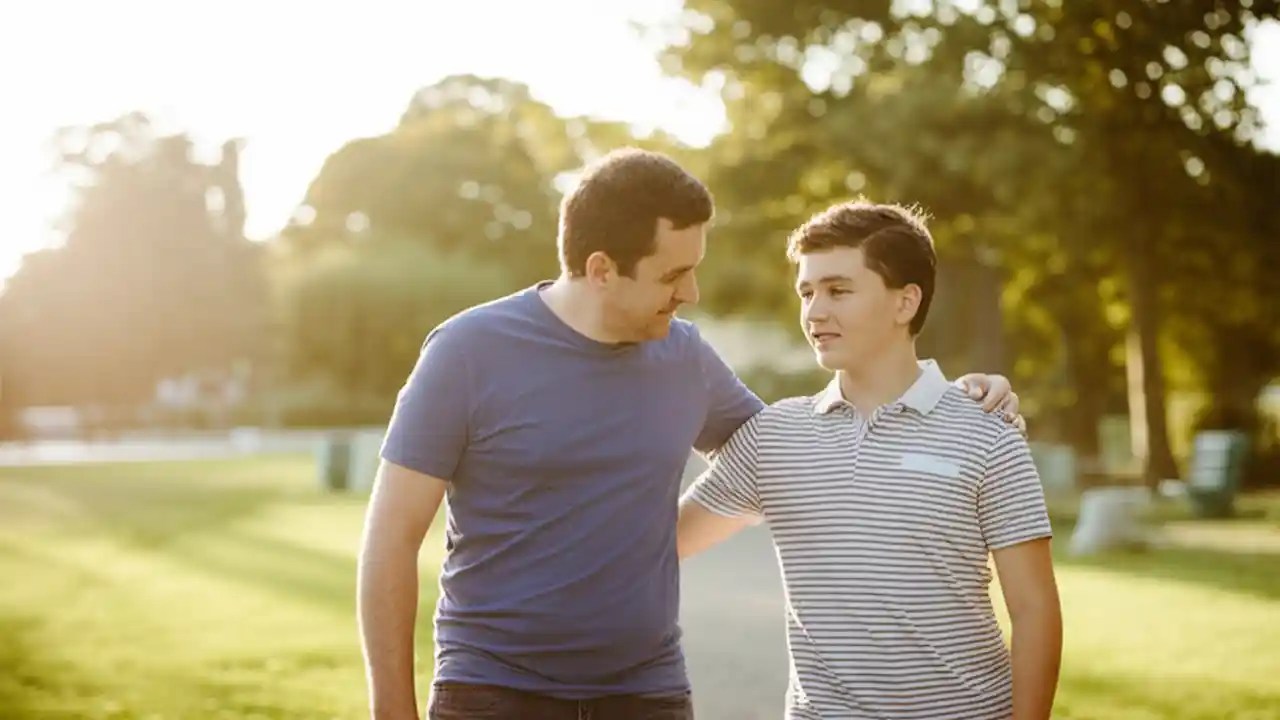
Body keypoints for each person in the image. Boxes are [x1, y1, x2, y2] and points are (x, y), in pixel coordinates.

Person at [356, 149, 1023, 720]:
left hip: (647, 693)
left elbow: (800, 444)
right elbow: (390, 539)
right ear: (600, 269)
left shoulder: (685, 358)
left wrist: (956, 400)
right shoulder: (468, 352)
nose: (693, 293)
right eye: (673, 275)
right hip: (494, 691)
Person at [677, 200, 1062, 720]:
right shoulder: (775, 435)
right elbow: (665, 543)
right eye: (807, 292)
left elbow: (1035, 610)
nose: (814, 312)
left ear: (906, 302)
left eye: (838, 290)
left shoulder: (988, 432)